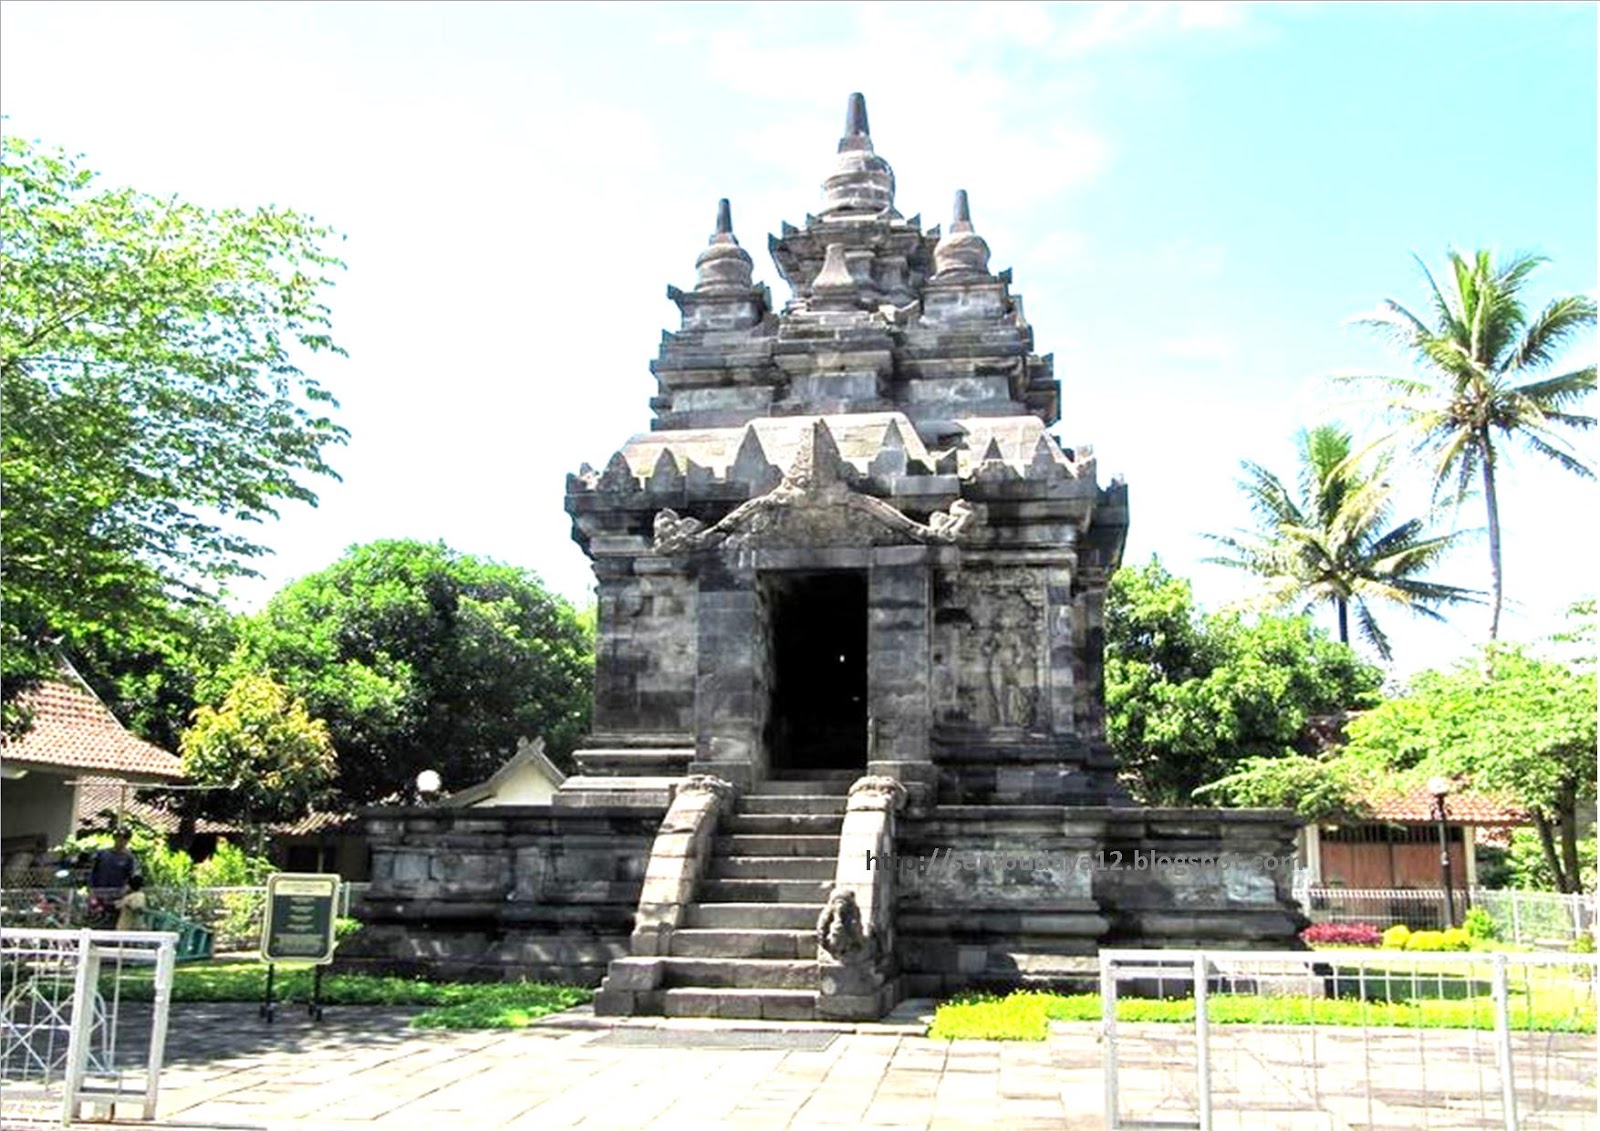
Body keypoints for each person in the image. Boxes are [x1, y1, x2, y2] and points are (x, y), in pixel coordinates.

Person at [87, 830, 140, 926]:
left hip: (117, 895)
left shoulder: (130, 858)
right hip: (99, 892)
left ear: (127, 841)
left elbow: (134, 876)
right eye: (118, 837)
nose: (120, 840)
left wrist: (128, 888)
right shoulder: (102, 854)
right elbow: (92, 872)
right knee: (95, 920)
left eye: (124, 838)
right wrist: (90, 889)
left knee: (113, 921)